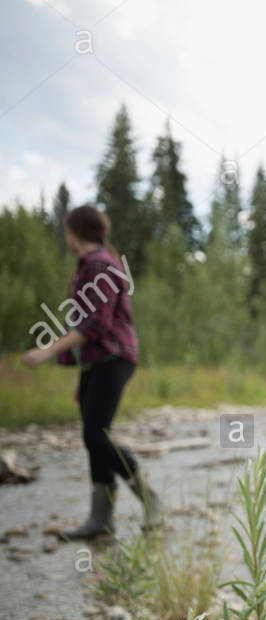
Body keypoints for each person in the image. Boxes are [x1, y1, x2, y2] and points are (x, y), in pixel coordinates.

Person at [20, 205, 162, 540]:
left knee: (96, 436)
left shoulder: (100, 265)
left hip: (114, 357)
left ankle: (149, 499)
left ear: (73, 232)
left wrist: (47, 350)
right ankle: (102, 520)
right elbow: (87, 328)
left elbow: (94, 326)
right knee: (95, 436)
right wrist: (85, 381)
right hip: (99, 363)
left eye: (66, 231)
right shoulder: (91, 264)